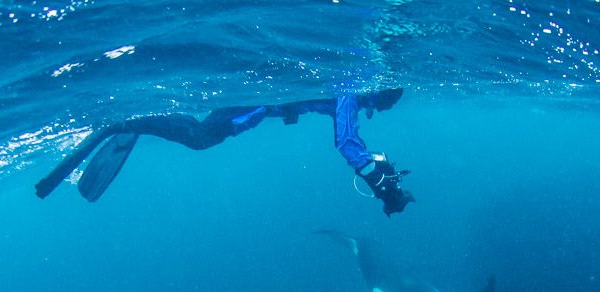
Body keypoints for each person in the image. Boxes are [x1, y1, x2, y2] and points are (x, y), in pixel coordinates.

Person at [35, 89, 414, 216]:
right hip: (255, 107)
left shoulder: (350, 92)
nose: (383, 109)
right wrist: (381, 185)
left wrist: (377, 171)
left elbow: (352, 138)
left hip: (261, 106)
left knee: (203, 134)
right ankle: (126, 121)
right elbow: (346, 141)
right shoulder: (349, 91)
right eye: (387, 103)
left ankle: (135, 119)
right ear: (381, 93)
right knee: (202, 137)